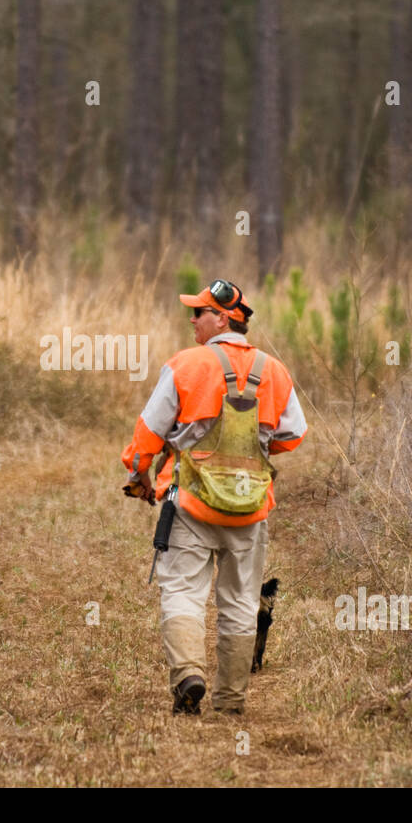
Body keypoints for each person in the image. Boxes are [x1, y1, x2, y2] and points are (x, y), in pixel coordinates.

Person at [122, 279, 307, 715]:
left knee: (183, 592)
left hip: (191, 505)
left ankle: (189, 674)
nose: (192, 319)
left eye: (199, 312)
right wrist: (254, 451)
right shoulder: (275, 371)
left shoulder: (186, 365)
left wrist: (140, 472)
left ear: (223, 318)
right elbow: (293, 434)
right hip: (251, 510)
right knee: (241, 601)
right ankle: (230, 701)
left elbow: (148, 432)